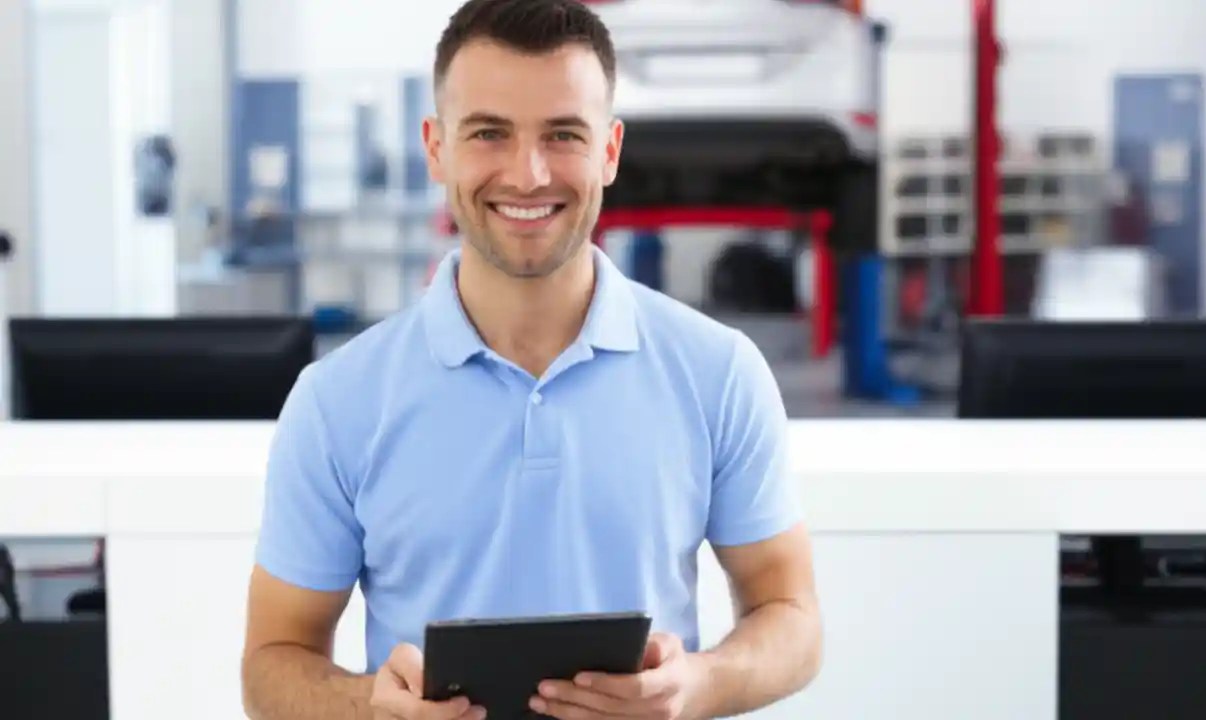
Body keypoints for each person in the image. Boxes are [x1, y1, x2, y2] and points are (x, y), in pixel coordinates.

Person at [240, 1, 821, 718]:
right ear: (436, 147)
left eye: (563, 134)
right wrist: (369, 708)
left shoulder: (718, 373)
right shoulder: (338, 400)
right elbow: (271, 665)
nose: (528, 173)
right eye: (489, 133)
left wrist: (700, 683)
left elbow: (791, 616)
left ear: (609, 151)